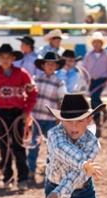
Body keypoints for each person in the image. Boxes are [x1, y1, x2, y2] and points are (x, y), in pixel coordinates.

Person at [0, 44, 38, 190]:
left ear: (13, 59)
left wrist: (27, 111)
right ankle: (7, 177)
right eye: (2, 57)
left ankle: (22, 179)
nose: (5, 60)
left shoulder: (22, 73)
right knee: (3, 147)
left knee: (19, 146)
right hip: (0, 114)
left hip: (18, 113)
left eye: (8, 57)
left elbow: (33, 92)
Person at [28, 52, 66, 182]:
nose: (50, 66)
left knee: (52, 149)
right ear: (43, 65)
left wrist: (59, 116)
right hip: (36, 118)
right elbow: (30, 95)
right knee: (34, 146)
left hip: (51, 120)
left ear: (56, 66)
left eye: (53, 64)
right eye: (48, 64)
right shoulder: (36, 79)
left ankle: (49, 174)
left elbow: (62, 100)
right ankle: (30, 172)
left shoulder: (59, 83)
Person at [82, 31, 107, 137]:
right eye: (95, 42)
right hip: (91, 80)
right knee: (94, 101)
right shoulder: (89, 55)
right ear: (92, 43)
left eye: (98, 42)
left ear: (102, 43)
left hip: (102, 80)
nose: (96, 44)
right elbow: (84, 68)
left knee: (94, 97)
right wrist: (86, 79)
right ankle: (101, 117)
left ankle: (100, 120)